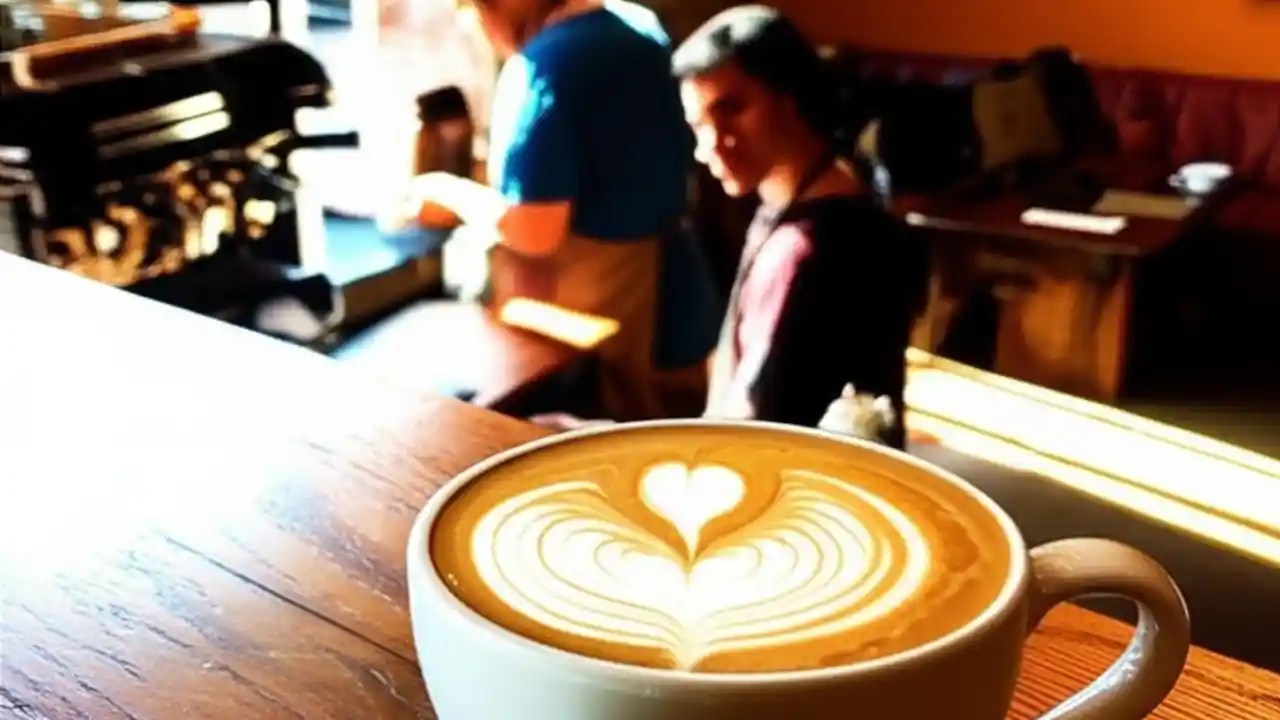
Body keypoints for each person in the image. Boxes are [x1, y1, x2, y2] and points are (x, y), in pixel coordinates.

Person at [536, 5, 928, 448]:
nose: (714, 145)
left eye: (734, 109)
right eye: (700, 125)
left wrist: (598, 440)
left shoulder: (813, 249)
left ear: (790, 93)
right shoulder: (819, 190)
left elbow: (755, 435)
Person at [405, 0, 698, 421]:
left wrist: (447, 193)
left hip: (583, 295)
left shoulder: (546, 64)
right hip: (651, 275)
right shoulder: (639, 26)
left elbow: (535, 230)